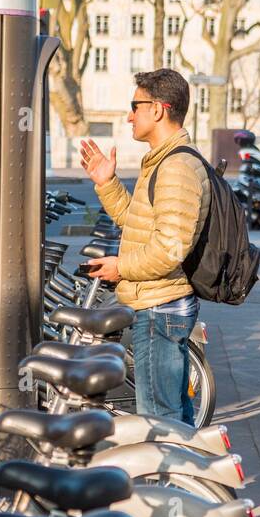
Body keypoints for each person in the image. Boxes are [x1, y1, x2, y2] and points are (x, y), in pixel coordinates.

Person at [79, 68, 209, 424]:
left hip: (161, 307)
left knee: (159, 418)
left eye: (135, 106)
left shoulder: (176, 167)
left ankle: (174, 480)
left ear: (159, 109)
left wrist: (120, 267)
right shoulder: (163, 161)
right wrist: (107, 183)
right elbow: (136, 223)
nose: (129, 115)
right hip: (158, 302)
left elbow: (169, 249)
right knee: (171, 413)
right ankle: (183, 479)